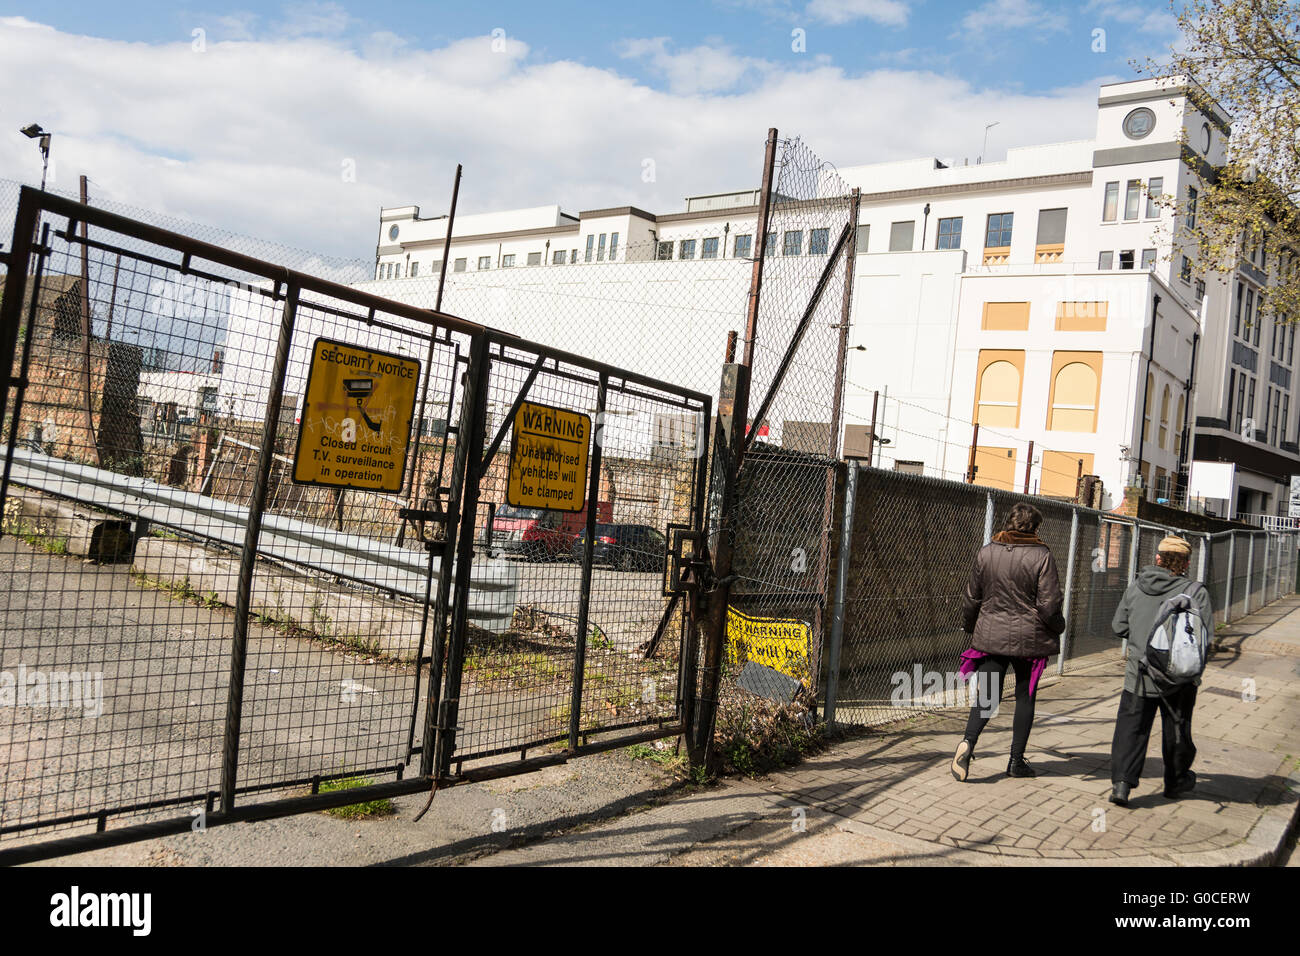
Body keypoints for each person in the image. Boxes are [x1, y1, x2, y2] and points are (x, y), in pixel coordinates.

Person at [951, 502, 1065, 782]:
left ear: (1009, 523)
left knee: (988, 697)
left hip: (992, 636)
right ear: (1035, 527)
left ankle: (968, 742)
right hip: (1030, 639)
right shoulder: (1042, 555)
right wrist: (1058, 626)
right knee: (1025, 697)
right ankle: (1016, 761)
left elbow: (971, 597)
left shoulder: (987, 552)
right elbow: (1049, 604)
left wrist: (970, 626)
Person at [1107, 535, 1211, 807]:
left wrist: (1142, 640)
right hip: (1179, 677)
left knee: (1131, 728)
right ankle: (1175, 783)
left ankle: (1122, 784)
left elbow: (1119, 626)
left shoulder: (1137, 586)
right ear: (1187, 562)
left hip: (1139, 674)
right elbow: (1205, 638)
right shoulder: (1195, 591)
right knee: (1176, 729)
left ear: (1158, 558)